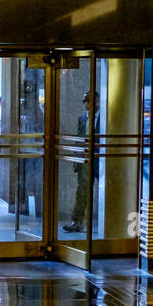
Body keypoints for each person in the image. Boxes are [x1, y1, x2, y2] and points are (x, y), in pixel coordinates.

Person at [63, 90, 98, 233]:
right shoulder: (82, 118)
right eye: (84, 101)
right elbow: (79, 139)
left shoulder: (105, 117)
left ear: (96, 101)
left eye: (87, 100)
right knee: (82, 191)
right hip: (86, 161)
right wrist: (76, 160)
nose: (85, 104)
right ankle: (76, 222)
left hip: (101, 160)